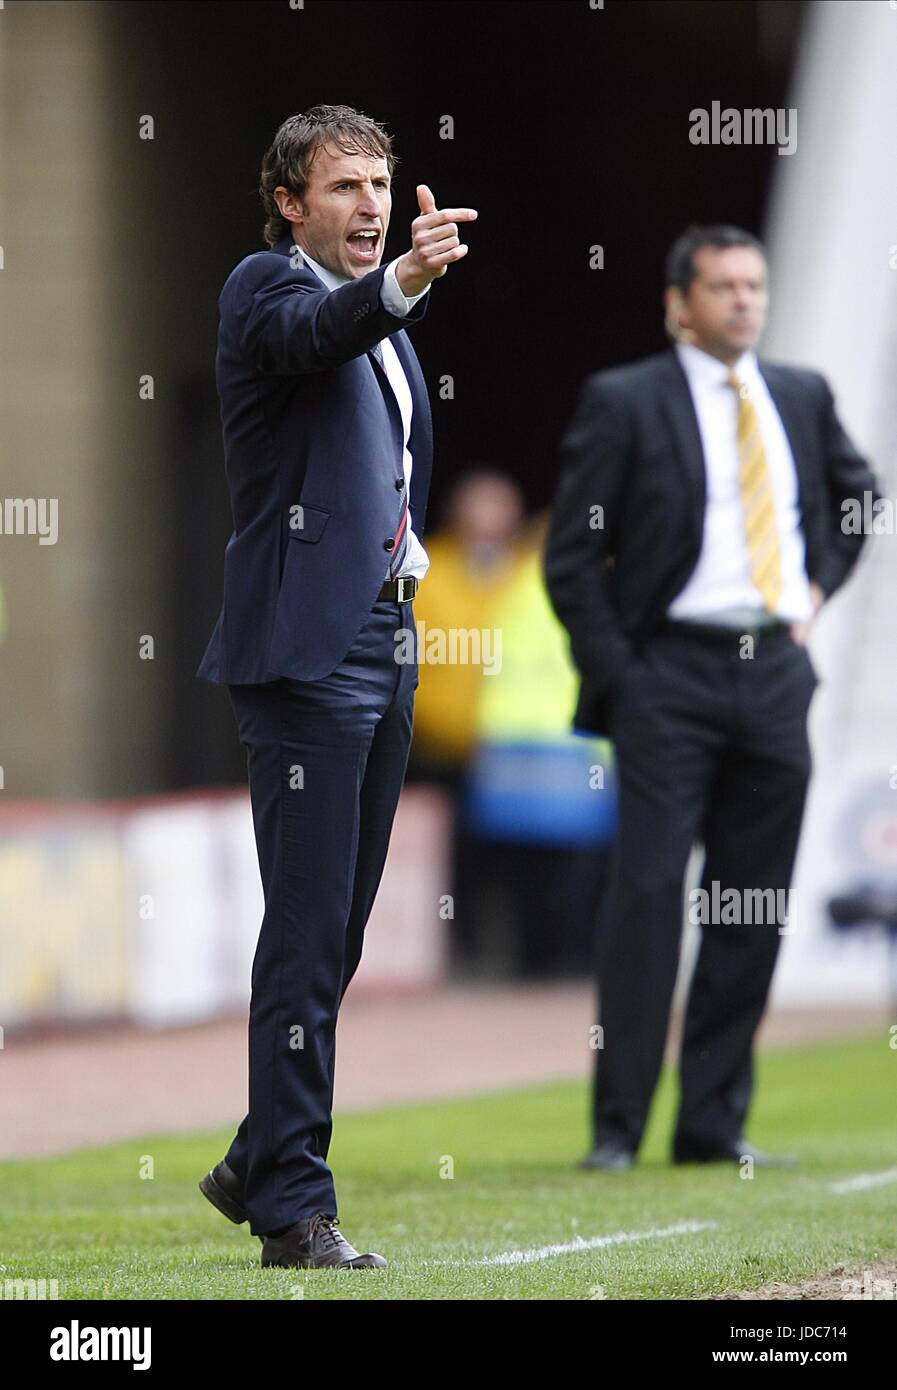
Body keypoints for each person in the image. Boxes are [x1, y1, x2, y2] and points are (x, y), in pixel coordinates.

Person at [195, 105, 476, 1267]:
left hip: (386, 637)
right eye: (344, 187)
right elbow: (319, 331)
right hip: (309, 655)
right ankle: (294, 1214)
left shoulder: (389, 330)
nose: (370, 204)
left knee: (341, 933)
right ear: (289, 203)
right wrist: (400, 281)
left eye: (381, 182)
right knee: (306, 937)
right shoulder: (266, 290)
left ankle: (259, 1152)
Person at [544, 224, 878, 1171]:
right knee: (647, 898)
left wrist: (812, 596)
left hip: (774, 673)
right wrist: (626, 678)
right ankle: (616, 1131)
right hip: (669, 677)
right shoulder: (625, 401)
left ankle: (711, 1125)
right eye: (723, 286)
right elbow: (571, 559)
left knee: (749, 904)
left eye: (754, 285)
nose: (744, 301)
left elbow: (861, 496)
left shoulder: (801, 396)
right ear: (677, 305)